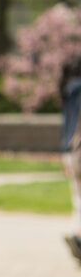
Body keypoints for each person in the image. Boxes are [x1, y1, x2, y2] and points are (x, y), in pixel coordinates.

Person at [61, 55, 81, 265]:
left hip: (73, 150)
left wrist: (64, 150)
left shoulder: (69, 90)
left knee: (78, 200)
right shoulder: (77, 91)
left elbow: (67, 123)